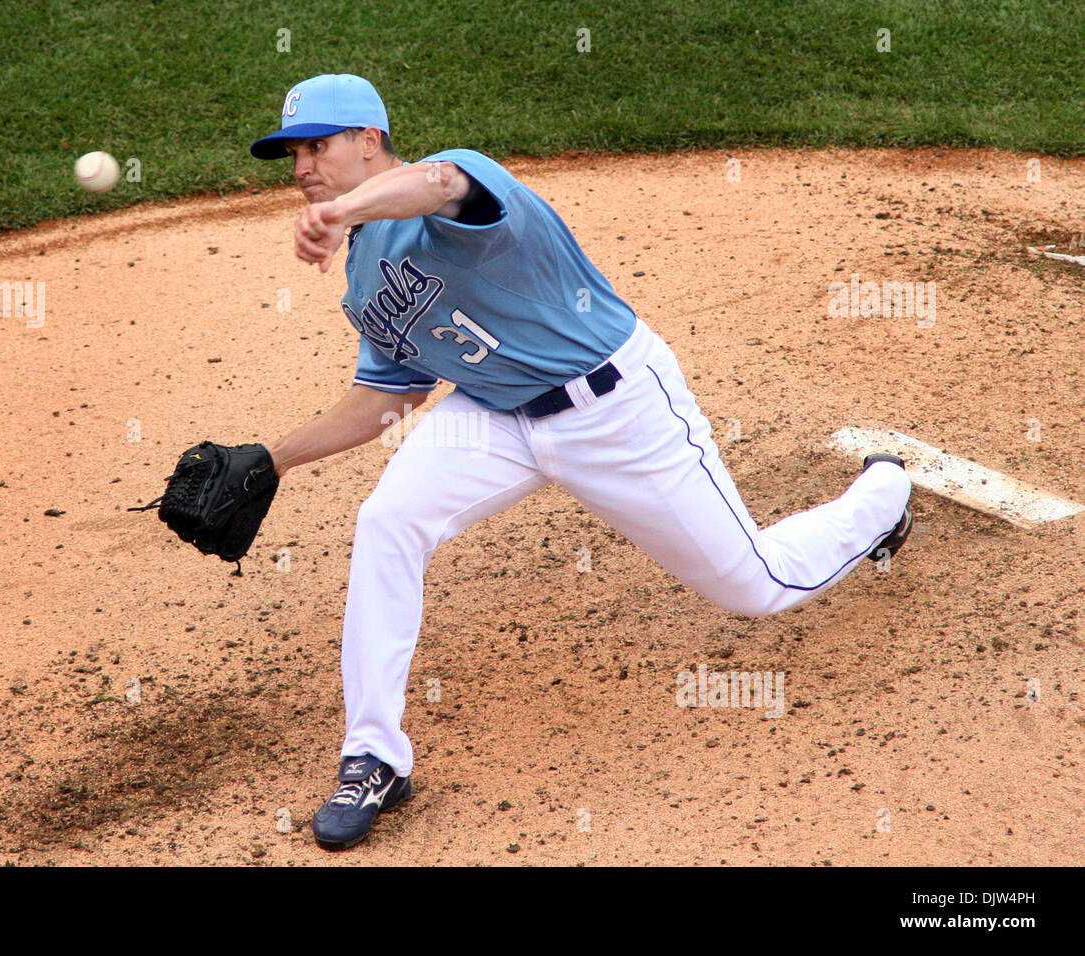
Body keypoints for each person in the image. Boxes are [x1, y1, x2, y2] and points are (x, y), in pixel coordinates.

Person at [248, 74, 913, 851]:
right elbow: (385, 399)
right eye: (292, 154)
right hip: (495, 415)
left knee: (753, 585)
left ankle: (884, 494)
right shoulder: (362, 280)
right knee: (388, 520)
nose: (300, 169)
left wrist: (340, 211)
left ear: (369, 142)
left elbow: (434, 186)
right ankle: (373, 757)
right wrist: (273, 460)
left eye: (316, 148)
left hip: (616, 409)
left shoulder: (454, 179)